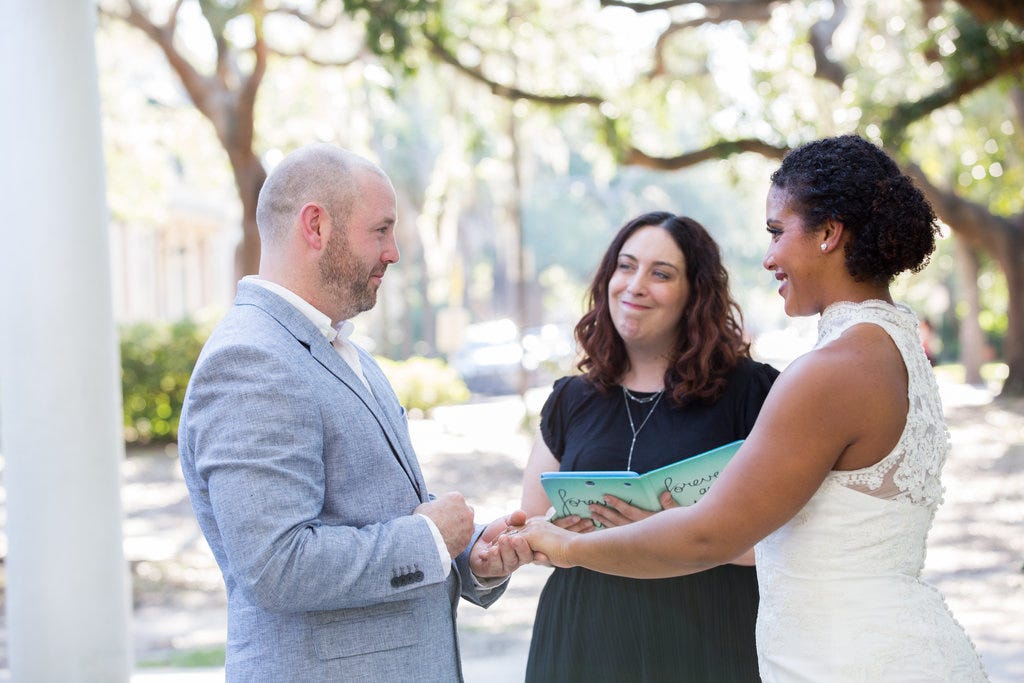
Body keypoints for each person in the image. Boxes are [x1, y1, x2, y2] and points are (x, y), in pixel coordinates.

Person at [517, 135, 990, 681]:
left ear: (829, 234)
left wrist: (568, 547)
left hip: (844, 660)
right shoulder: (896, 348)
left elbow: (710, 535)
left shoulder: (829, 371)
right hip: (883, 641)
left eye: (776, 232)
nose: (768, 259)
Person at [177, 143, 533, 681]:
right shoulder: (251, 359)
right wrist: (431, 539)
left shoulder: (339, 349)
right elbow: (276, 565)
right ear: (316, 226)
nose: (393, 252)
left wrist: (468, 555)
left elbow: (375, 510)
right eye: (380, 230)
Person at [518, 212, 779, 681]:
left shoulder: (752, 392)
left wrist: (676, 533)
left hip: (705, 638)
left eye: (661, 274)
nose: (635, 285)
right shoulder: (570, 398)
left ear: (694, 294)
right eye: (626, 266)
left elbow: (785, 543)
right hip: (583, 639)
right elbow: (534, 523)